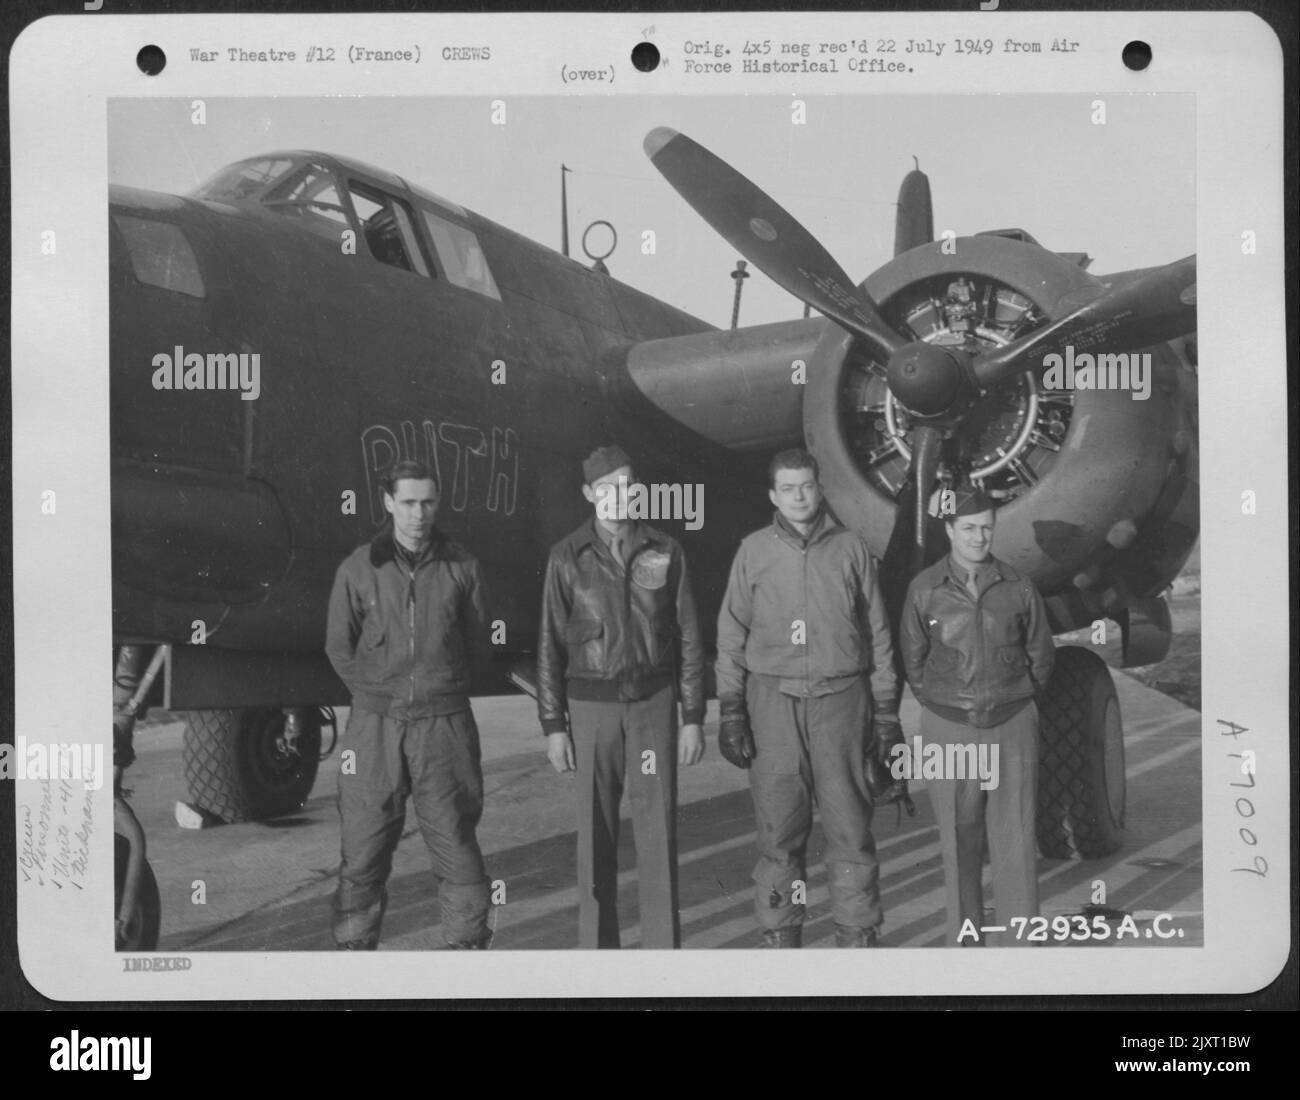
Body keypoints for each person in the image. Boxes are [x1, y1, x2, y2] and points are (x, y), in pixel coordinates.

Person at [715, 449, 900, 948]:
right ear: (774, 496)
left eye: (807, 486)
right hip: (772, 704)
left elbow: (878, 632)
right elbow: (731, 634)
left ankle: (857, 938)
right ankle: (782, 941)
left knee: (851, 833)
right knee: (779, 838)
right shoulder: (753, 551)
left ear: (819, 489)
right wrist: (731, 707)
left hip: (841, 702)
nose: (799, 497)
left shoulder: (851, 549)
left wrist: (886, 713)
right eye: (788, 489)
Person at [537, 445, 705, 949]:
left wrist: (693, 715)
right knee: (596, 834)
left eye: (628, 484)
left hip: (654, 703)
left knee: (658, 830)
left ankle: (661, 958)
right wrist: (553, 725)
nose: (620, 495)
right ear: (590, 495)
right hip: (591, 709)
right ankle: (598, 959)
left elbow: (690, 636)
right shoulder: (566, 556)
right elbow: (548, 643)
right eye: (607, 488)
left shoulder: (665, 549)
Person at [325, 459, 493, 950]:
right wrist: (380, 692)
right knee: (363, 848)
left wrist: (440, 686)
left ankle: (464, 958)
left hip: (444, 727)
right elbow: (339, 646)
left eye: (428, 503)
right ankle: (355, 960)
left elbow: (479, 644)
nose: (419, 513)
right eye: (409, 502)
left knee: (457, 844)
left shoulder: (462, 566)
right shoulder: (359, 568)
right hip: (375, 729)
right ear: (388, 503)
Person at [899, 486, 1055, 946]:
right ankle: (965, 948)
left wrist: (1015, 699)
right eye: (968, 528)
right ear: (949, 529)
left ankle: (1019, 949)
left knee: (1015, 839)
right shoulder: (924, 589)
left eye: (986, 528)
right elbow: (913, 660)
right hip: (949, 726)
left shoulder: (1017, 585)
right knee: (959, 838)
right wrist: (949, 705)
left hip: (1012, 722)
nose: (978, 538)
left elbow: (1041, 656)